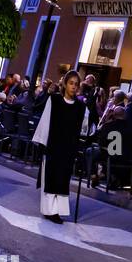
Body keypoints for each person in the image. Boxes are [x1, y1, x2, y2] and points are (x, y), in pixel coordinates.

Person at [32, 70, 89, 223]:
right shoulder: (54, 100)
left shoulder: (80, 107)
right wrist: (42, 143)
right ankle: (49, 210)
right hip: (53, 145)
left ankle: (57, 211)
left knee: (62, 179)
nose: (73, 87)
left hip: (68, 147)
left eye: (76, 84)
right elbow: (45, 121)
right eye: (71, 83)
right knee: (51, 177)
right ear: (65, 84)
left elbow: (84, 128)